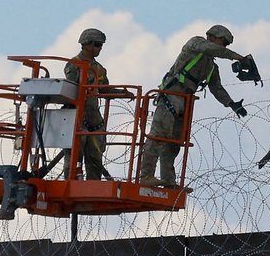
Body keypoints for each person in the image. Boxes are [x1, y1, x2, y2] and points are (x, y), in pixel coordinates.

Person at [137, 24, 251, 188]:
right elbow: (214, 50)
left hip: (186, 101)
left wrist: (232, 104)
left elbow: (216, 88)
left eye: (226, 44)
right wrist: (238, 57)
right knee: (158, 135)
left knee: (175, 142)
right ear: (211, 36)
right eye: (223, 42)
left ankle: (168, 181)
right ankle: (146, 176)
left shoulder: (211, 66)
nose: (223, 46)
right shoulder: (196, 44)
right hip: (171, 95)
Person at [63, 28, 131, 180]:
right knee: (73, 156)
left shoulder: (99, 68)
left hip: (94, 119)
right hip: (76, 116)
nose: (100, 48)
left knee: (95, 159)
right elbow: (71, 87)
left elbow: (104, 89)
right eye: (98, 45)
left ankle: (91, 185)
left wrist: (122, 93)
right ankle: (70, 182)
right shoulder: (74, 64)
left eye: (101, 45)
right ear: (87, 44)